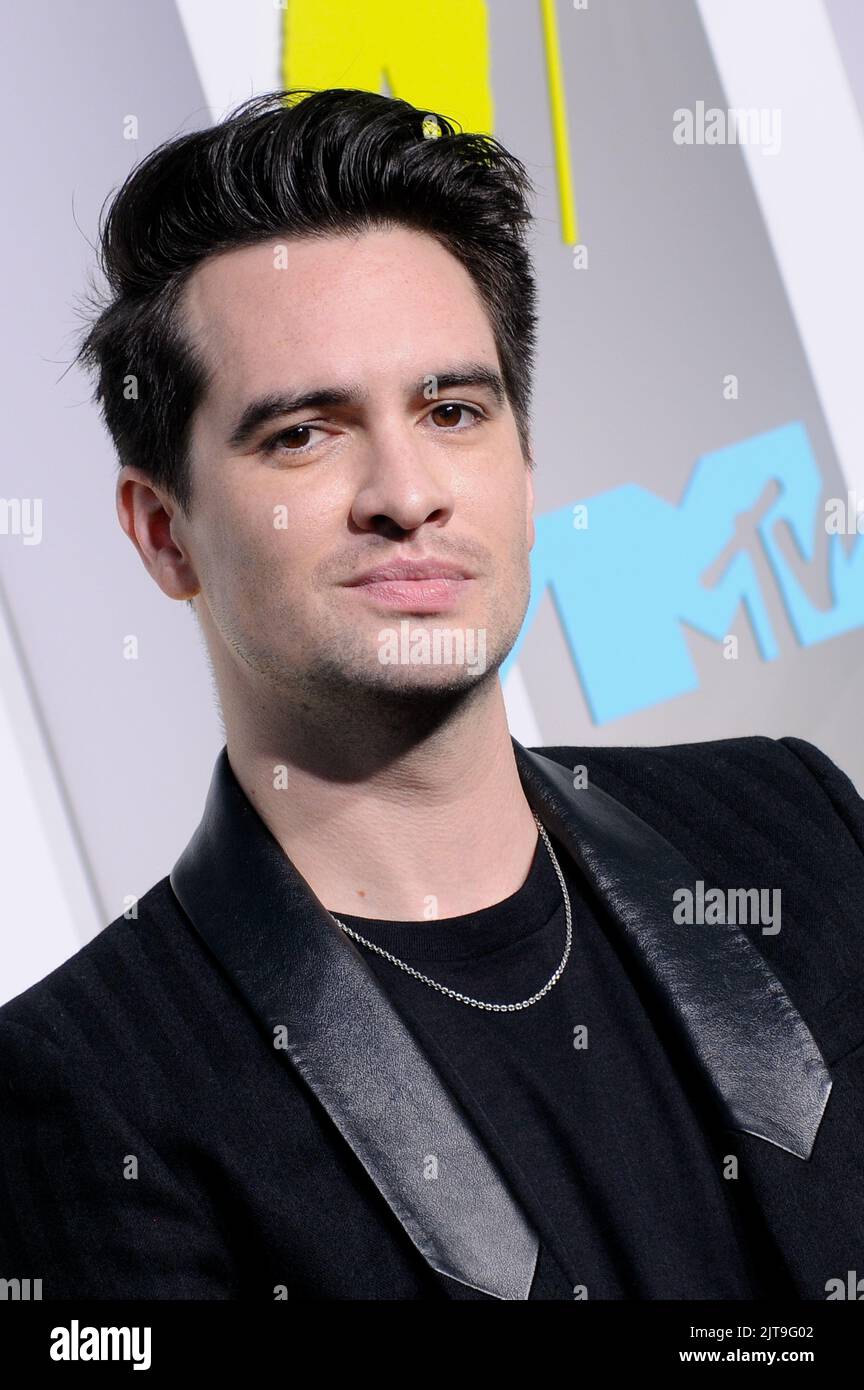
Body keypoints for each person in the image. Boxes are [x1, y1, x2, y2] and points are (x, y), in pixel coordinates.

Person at [1, 88, 863, 1302]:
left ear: (521, 459)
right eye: (304, 433)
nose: (407, 492)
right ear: (163, 534)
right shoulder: (88, 1085)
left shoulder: (794, 823)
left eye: (453, 410)